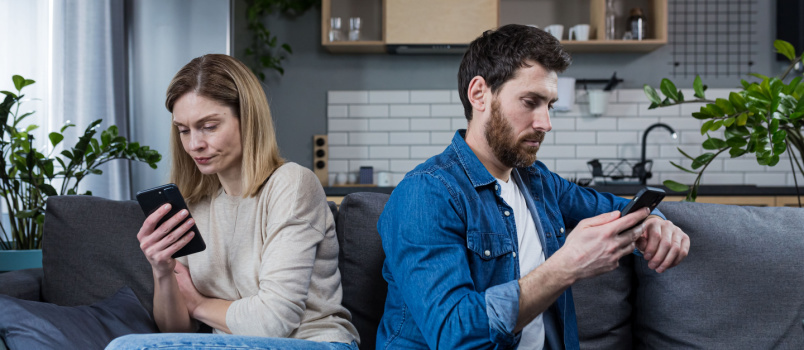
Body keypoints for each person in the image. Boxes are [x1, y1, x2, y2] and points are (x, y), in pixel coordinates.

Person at [376, 24, 690, 350]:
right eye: (530, 101)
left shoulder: (537, 181)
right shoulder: (426, 193)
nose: (545, 123)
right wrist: (566, 266)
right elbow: (455, 334)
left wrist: (655, 221)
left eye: (550, 105)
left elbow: (617, 209)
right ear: (479, 94)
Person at [106, 54, 359, 350]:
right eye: (184, 130)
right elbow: (176, 328)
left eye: (209, 126)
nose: (194, 144)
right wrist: (161, 271)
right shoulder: (193, 202)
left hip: (313, 343)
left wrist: (199, 303)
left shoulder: (291, 184)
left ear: (247, 119)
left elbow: (274, 321)